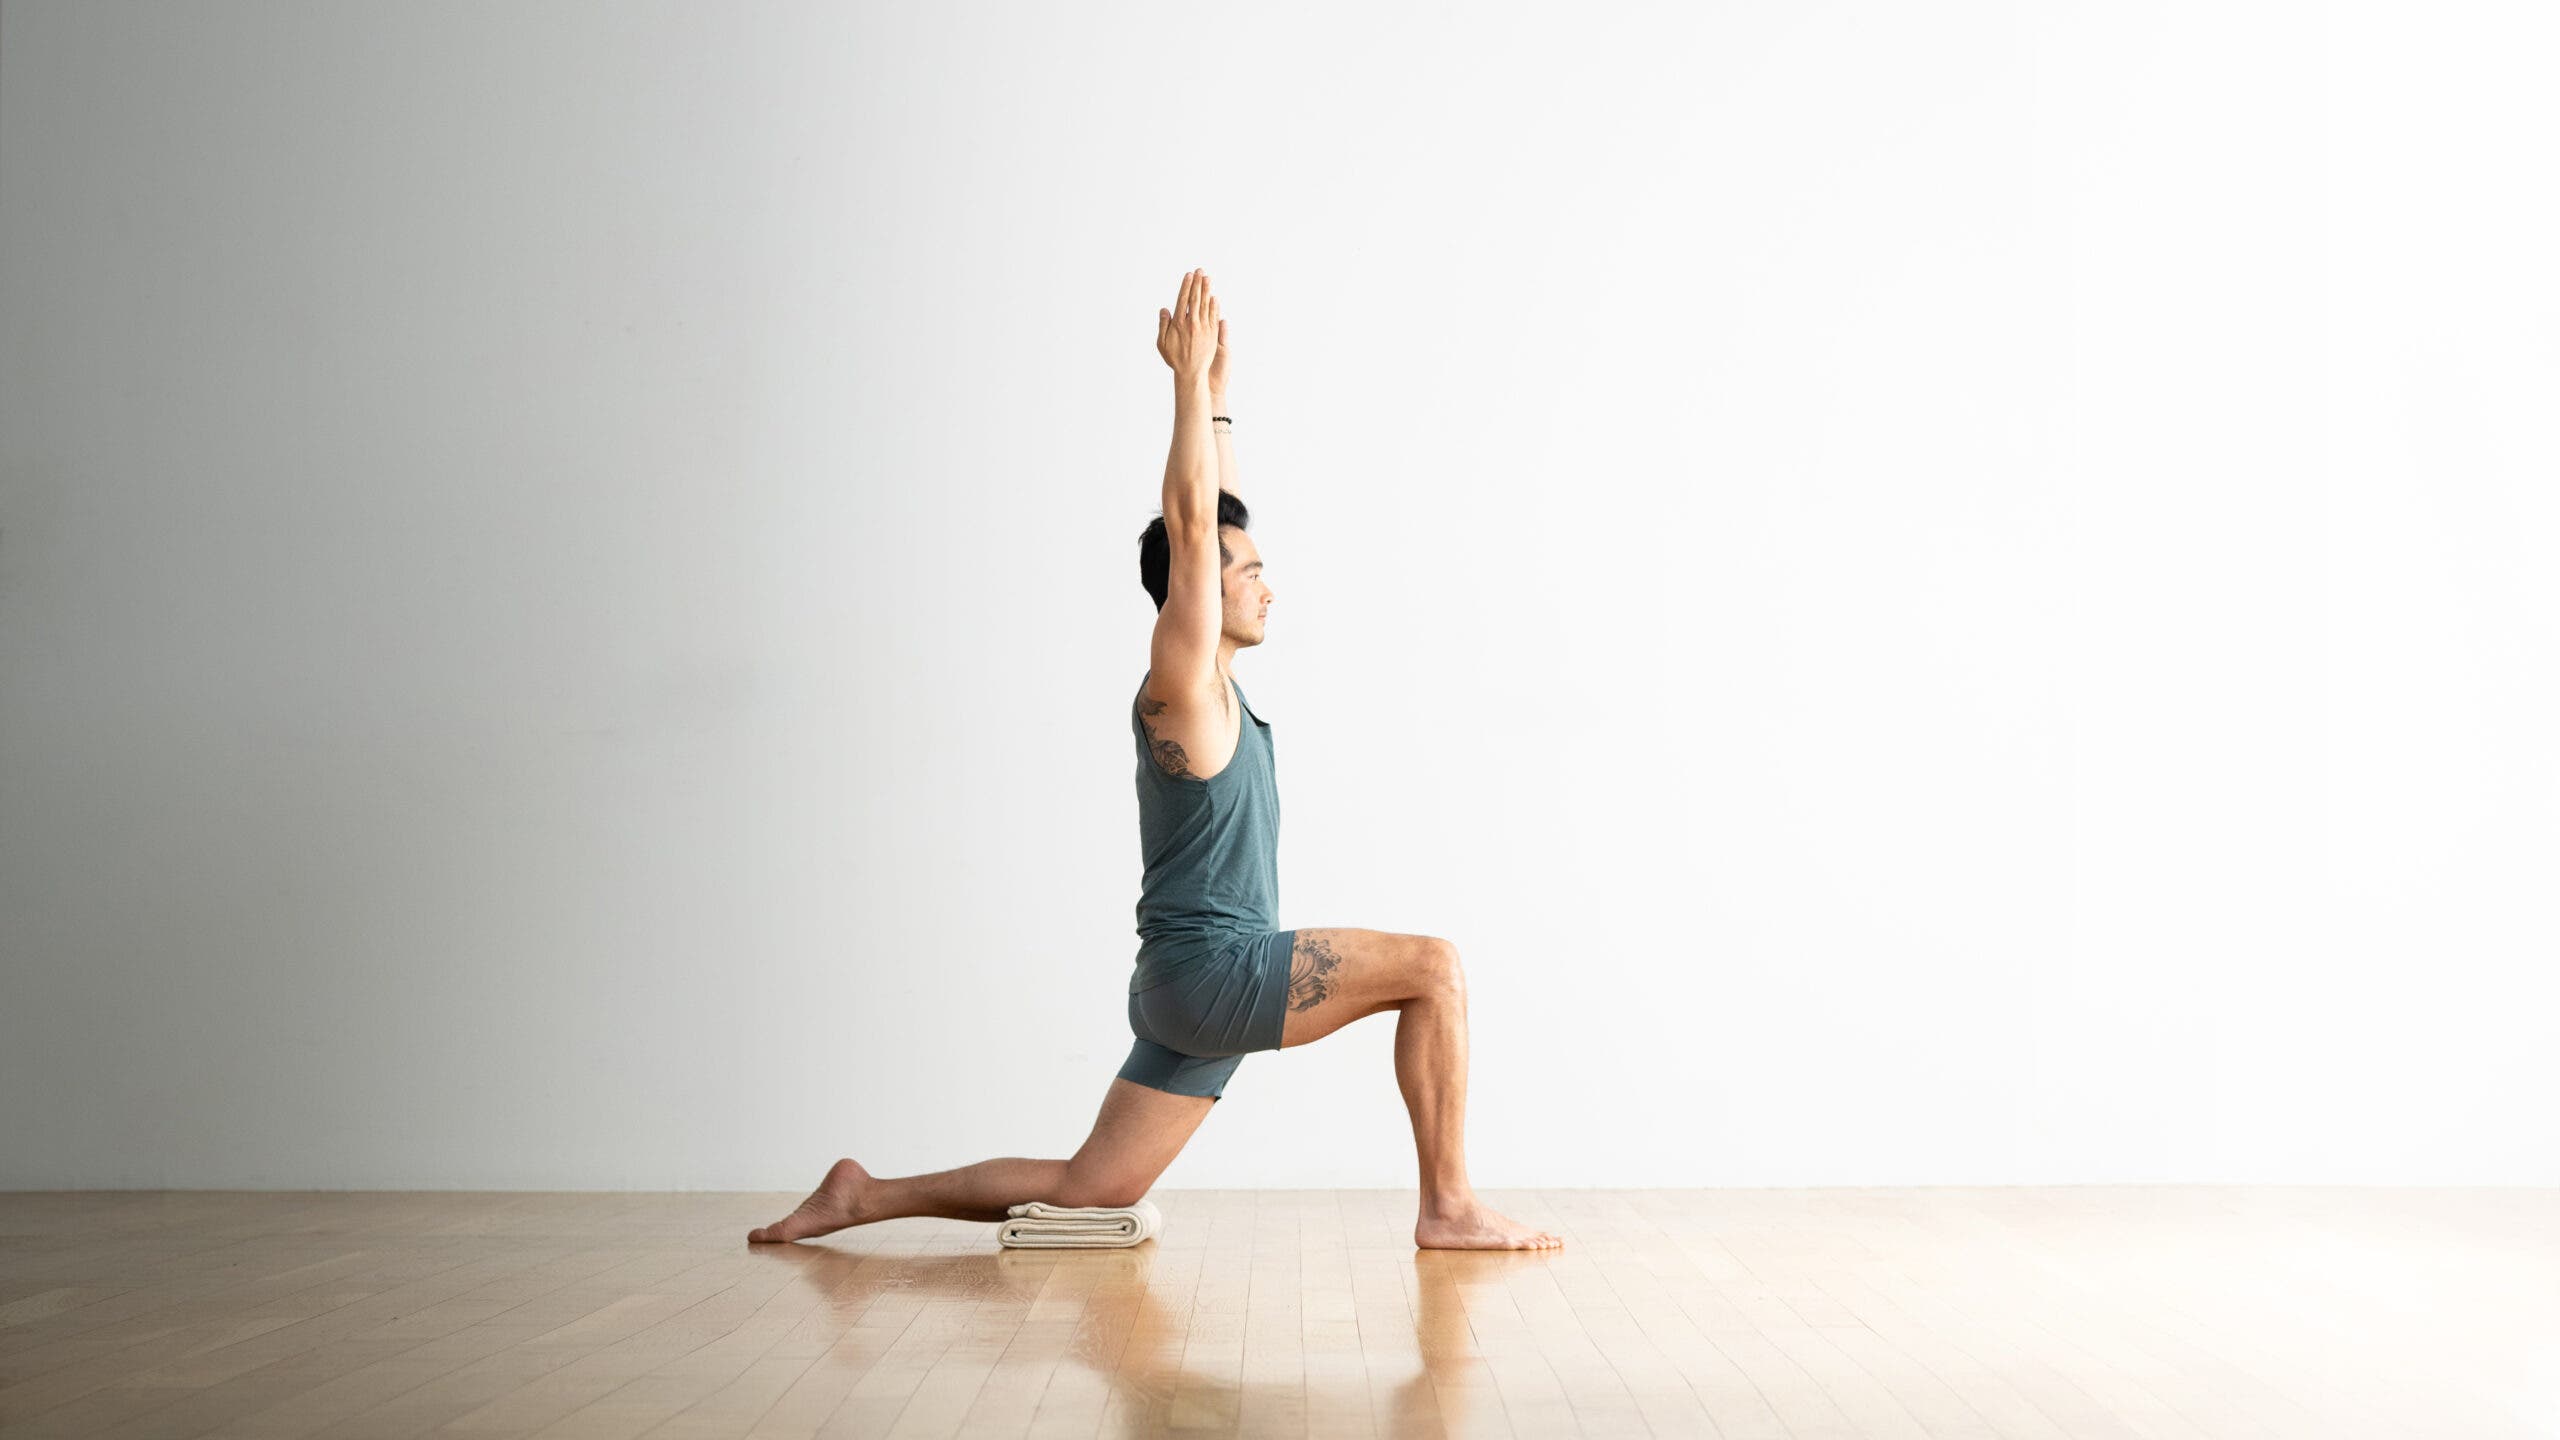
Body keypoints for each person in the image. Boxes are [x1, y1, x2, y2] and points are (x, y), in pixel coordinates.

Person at [750, 269, 1562, 1251]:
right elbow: (1191, 527)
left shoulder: (1221, 692)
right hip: (1213, 971)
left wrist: (1218, 399)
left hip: (1184, 982)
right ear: (1198, 594)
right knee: (1434, 969)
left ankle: (861, 1196)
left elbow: (1206, 520)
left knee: (1091, 1186)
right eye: (1248, 573)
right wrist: (1182, 388)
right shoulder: (1182, 687)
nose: (1267, 586)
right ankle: (1448, 1208)